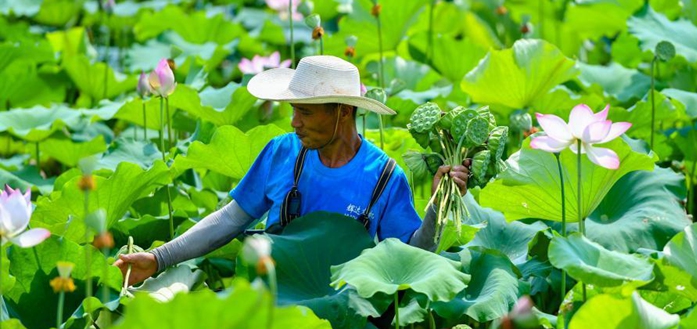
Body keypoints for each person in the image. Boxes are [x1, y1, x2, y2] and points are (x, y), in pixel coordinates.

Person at [115, 55, 470, 285]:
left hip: (347, 313)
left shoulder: (384, 176)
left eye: (307, 112)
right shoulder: (281, 152)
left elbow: (415, 255)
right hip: (270, 298)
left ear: (344, 112)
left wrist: (439, 206)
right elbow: (229, 220)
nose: (294, 122)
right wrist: (158, 259)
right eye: (294, 110)